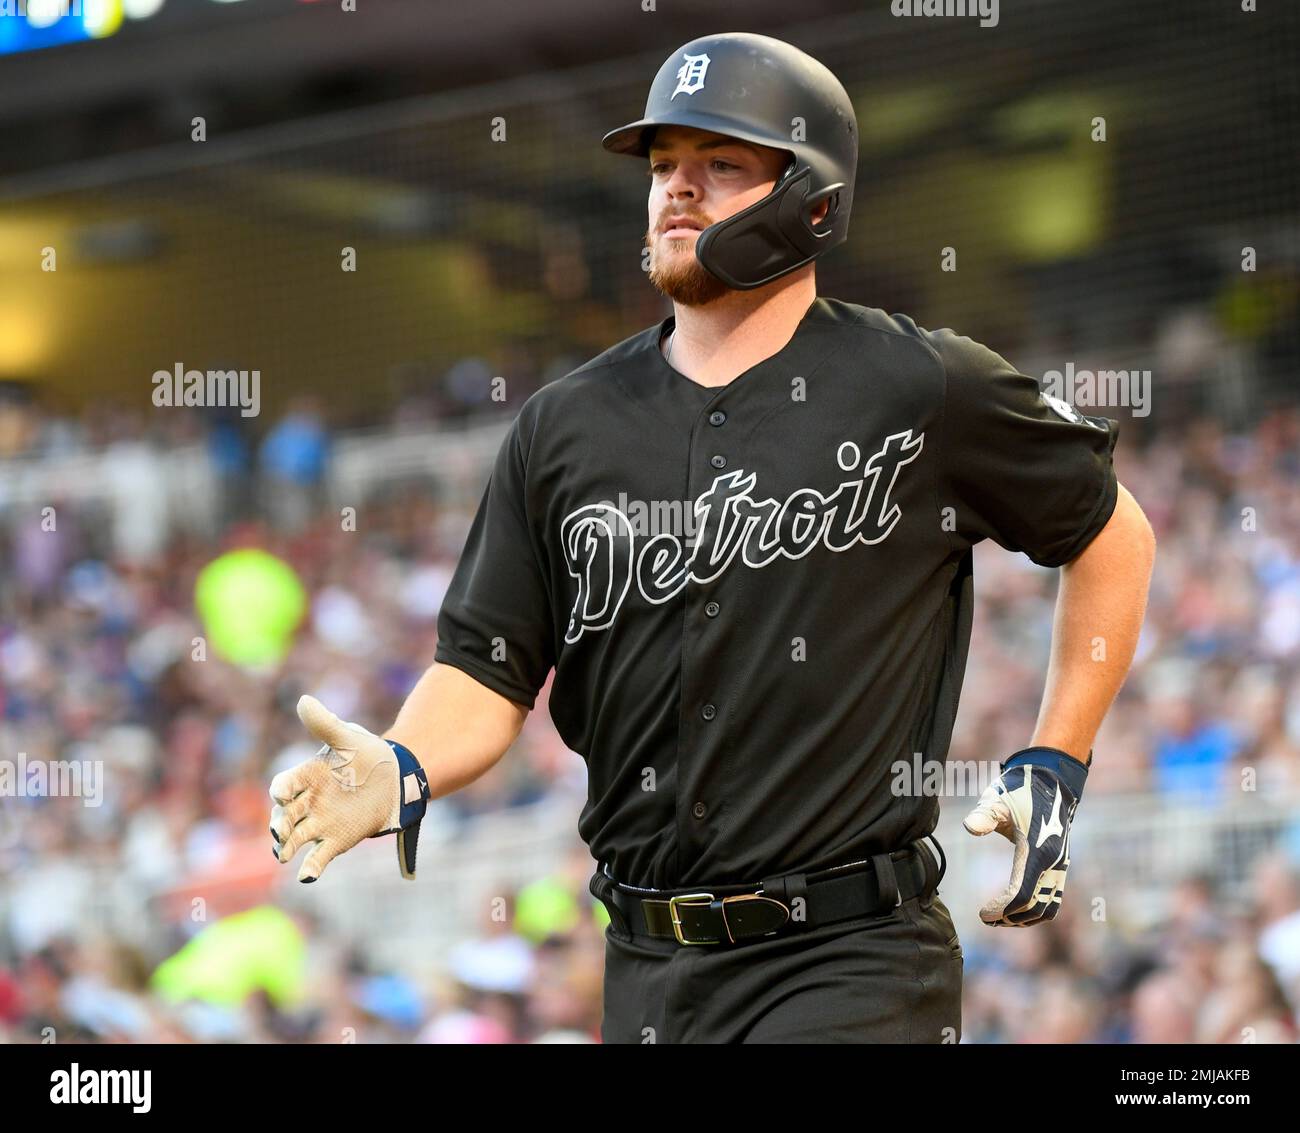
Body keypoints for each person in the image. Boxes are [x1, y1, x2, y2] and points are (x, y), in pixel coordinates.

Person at [268, 32, 1157, 1043]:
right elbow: (487, 665)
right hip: (643, 968)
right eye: (661, 168)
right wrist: (401, 761)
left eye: (719, 165)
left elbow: (1107, 528)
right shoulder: (563, 425)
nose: (676, 191)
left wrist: (1056, 754)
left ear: (810, 199)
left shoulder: (920, 384)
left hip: (846, 958)